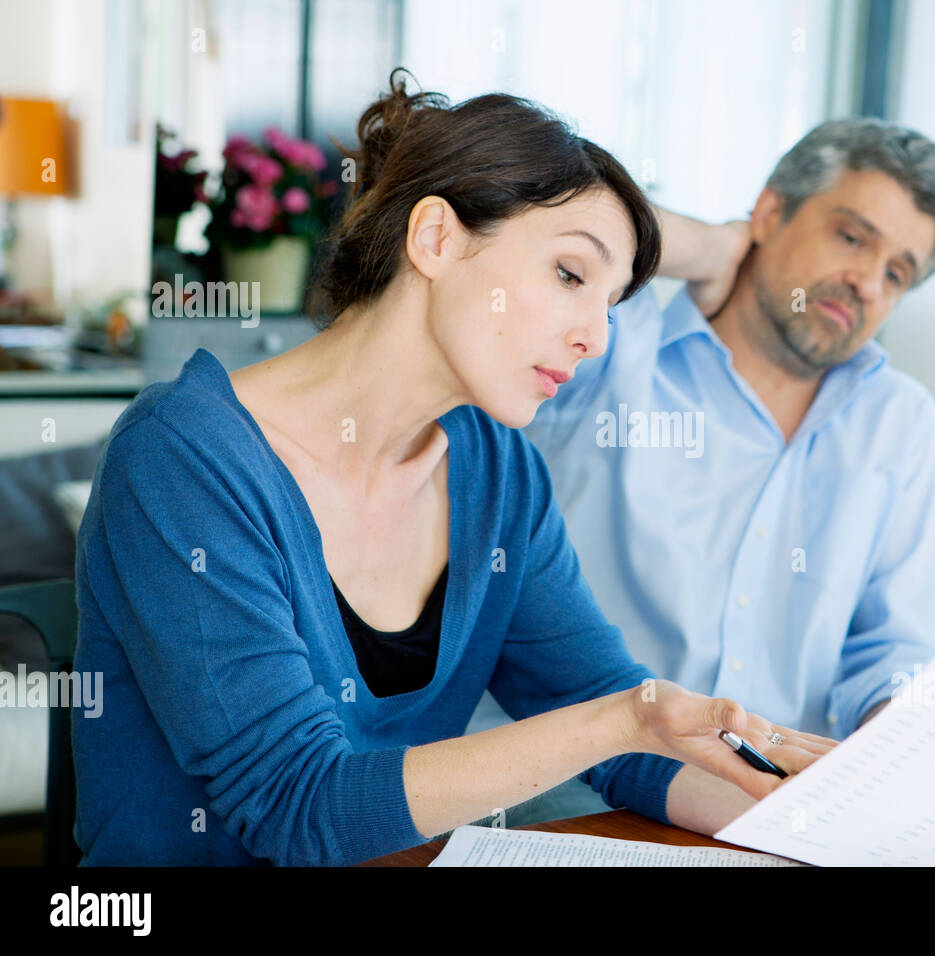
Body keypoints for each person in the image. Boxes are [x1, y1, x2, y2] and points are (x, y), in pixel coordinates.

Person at [70, 71, 837, 866]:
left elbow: (632, 742)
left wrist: (847, 826)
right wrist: (625, 718)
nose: (596, 338)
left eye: (610, 305)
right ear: (435, 239)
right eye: (571, 276)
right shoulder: (180, 458)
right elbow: (299, 806)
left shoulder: (498, 474)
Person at [475, 117, 935, 866]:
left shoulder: (900, 425)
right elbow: (540, 219)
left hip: (777, 814)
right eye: (851, 237)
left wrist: (912, 747)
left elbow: (898, 643)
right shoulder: (612, 344)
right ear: (770, 214)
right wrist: (714, 245)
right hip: (567, 797)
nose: (868, 282)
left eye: (899, 272)